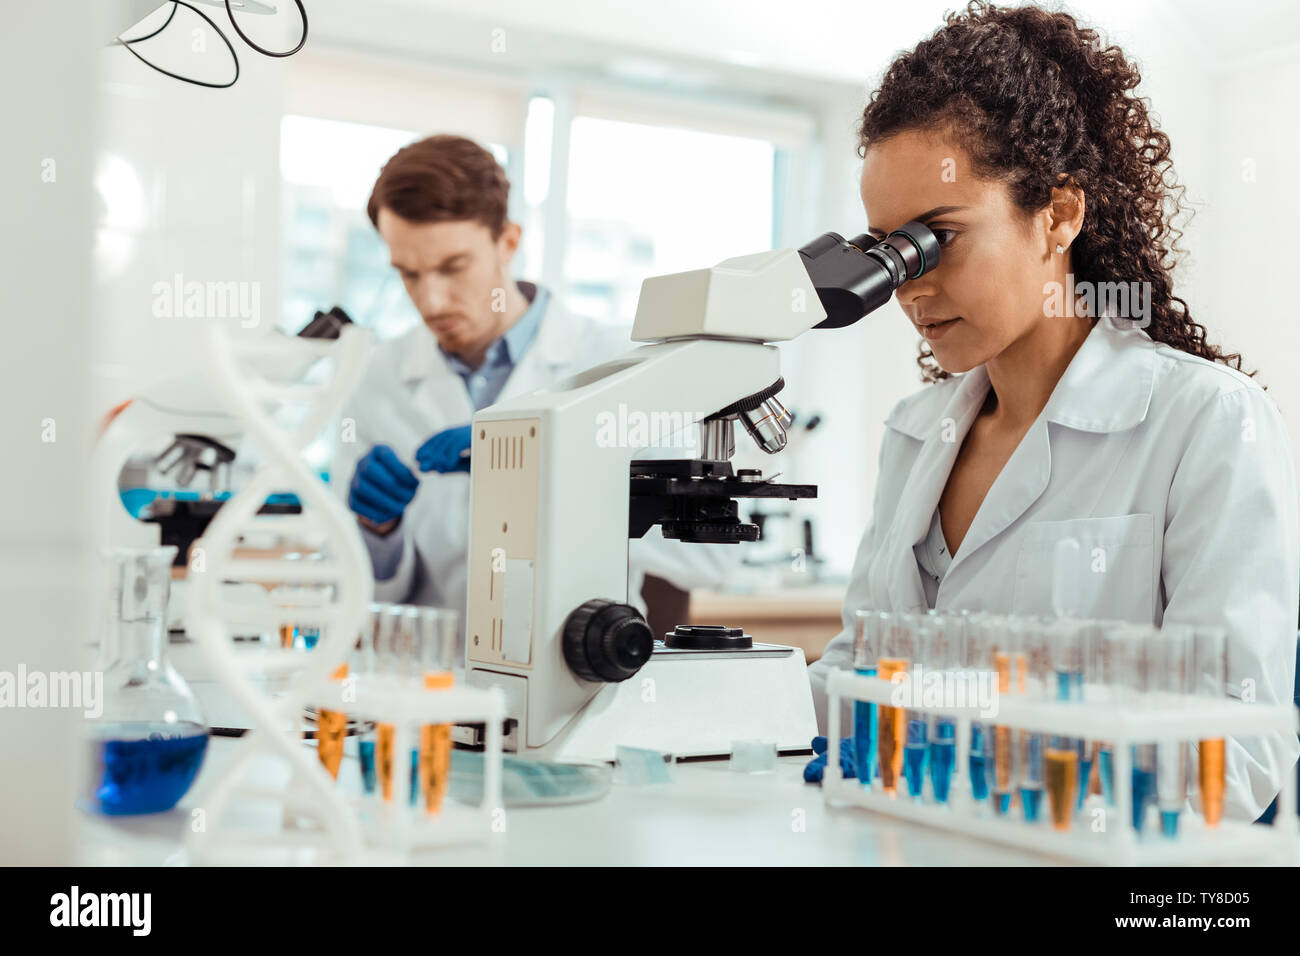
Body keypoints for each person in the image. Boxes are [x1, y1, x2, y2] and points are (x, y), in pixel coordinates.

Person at [807, 1, 1298, 822]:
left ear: (1059, 215)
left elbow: (1237, 755)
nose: (910, 283)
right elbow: (854, 678)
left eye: (939, 237)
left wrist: (977, 771)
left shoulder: (1207, 422)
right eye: (886, 248)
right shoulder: (915, 432)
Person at [334, 134, 729, 637]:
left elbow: (709, 561)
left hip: (582, 686)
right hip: (433, 687)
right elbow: (363, 593)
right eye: (408, 274)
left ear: (508, 242)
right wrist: (377, 532)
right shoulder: (378, 378)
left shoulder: (618, 364)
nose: (431, 301)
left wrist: (544, 473)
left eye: (452, 267)